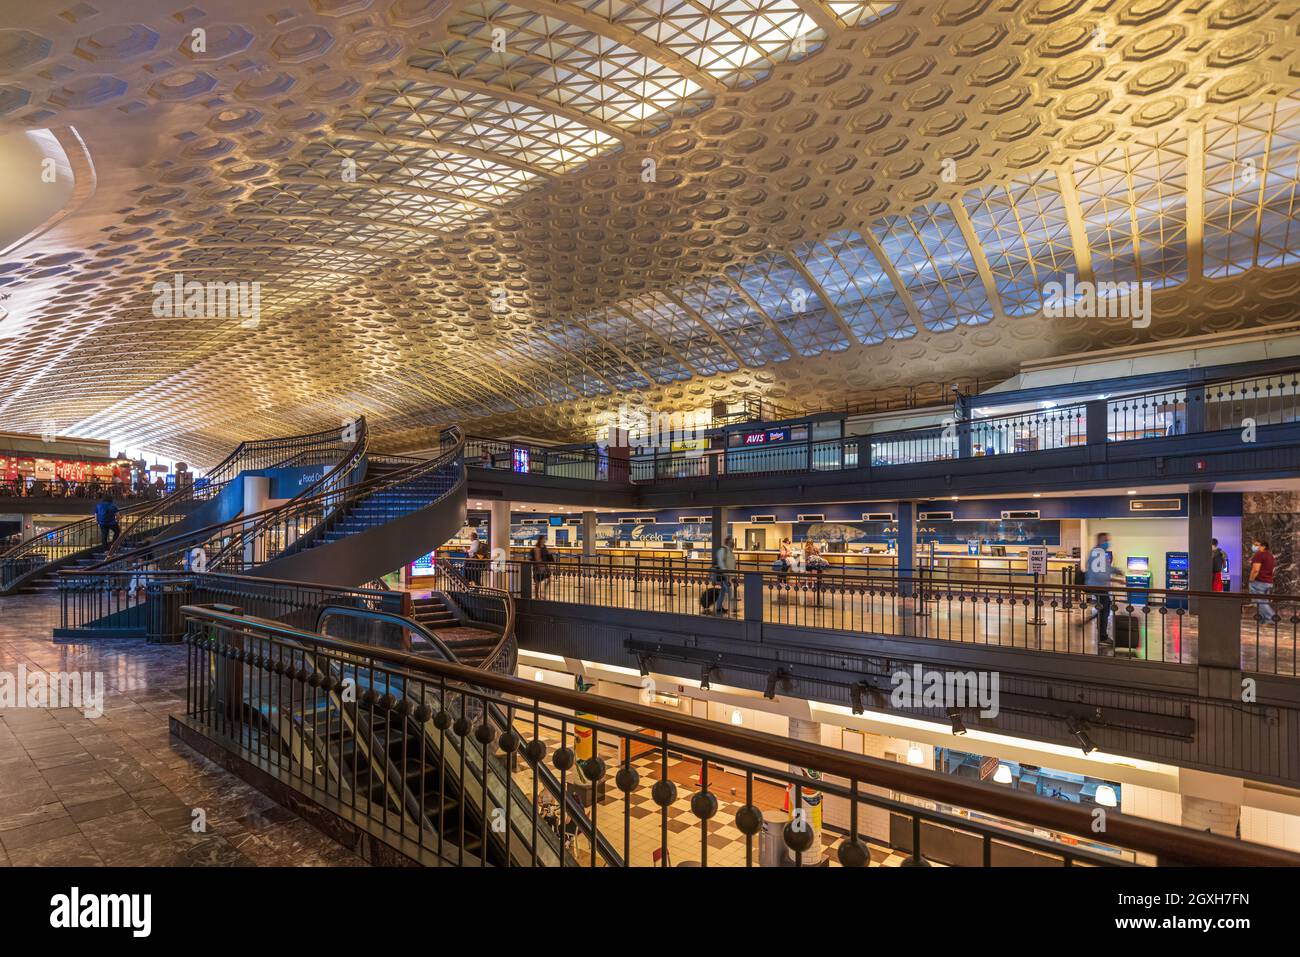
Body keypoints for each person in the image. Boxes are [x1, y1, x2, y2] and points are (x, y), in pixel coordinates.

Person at [1083, 532, 1115, 647]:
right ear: (1100, 540)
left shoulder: (1097, 552)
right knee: (1105, 608)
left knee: (1104, 607)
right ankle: (1102, 636)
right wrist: (1114, 580)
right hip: (1099, 586)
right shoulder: (1098, 552)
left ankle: (1100, 632)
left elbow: (1105, 568)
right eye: (1106, 540)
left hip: (1096, 585)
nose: (1108, 542)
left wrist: (1115, 571)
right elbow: (1100, 573)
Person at [1248, 538, 1278, 623]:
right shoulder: (1270, 556)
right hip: (1268, 582)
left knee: (1260, 602)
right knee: (1263, 602)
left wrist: (1251, 580)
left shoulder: (1259, 555)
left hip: (1259, 582)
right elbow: (1272, 570)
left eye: (1257, 545)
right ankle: (1263, 620)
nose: (1254, 547)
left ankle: (1271, 618)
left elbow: (1255, 570)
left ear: (1263, 546)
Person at [713, 536, 737, 616]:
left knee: (723, 591)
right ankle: (734, 607)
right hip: (723, 575)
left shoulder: (730, 551)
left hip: (727, 575)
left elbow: (731, 564)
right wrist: (725, 573)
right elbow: (721, 562)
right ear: (727, 542)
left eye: (733, 542)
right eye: (731, 542)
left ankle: (719, 607)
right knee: (729, 591)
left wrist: (733, 575)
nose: (733, 543)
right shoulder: (722, 550)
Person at [531, 534, 553, 598]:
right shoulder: (537, 548)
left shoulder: (544, 547)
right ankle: (537, 595)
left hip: (544, 566)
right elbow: (538, 558)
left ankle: (542, 592)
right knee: (537, 581)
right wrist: (541, 566)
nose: (544, 540)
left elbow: (546, 554)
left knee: (548, 579)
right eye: (544, 539)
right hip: (538, 567)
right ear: (540, 540)